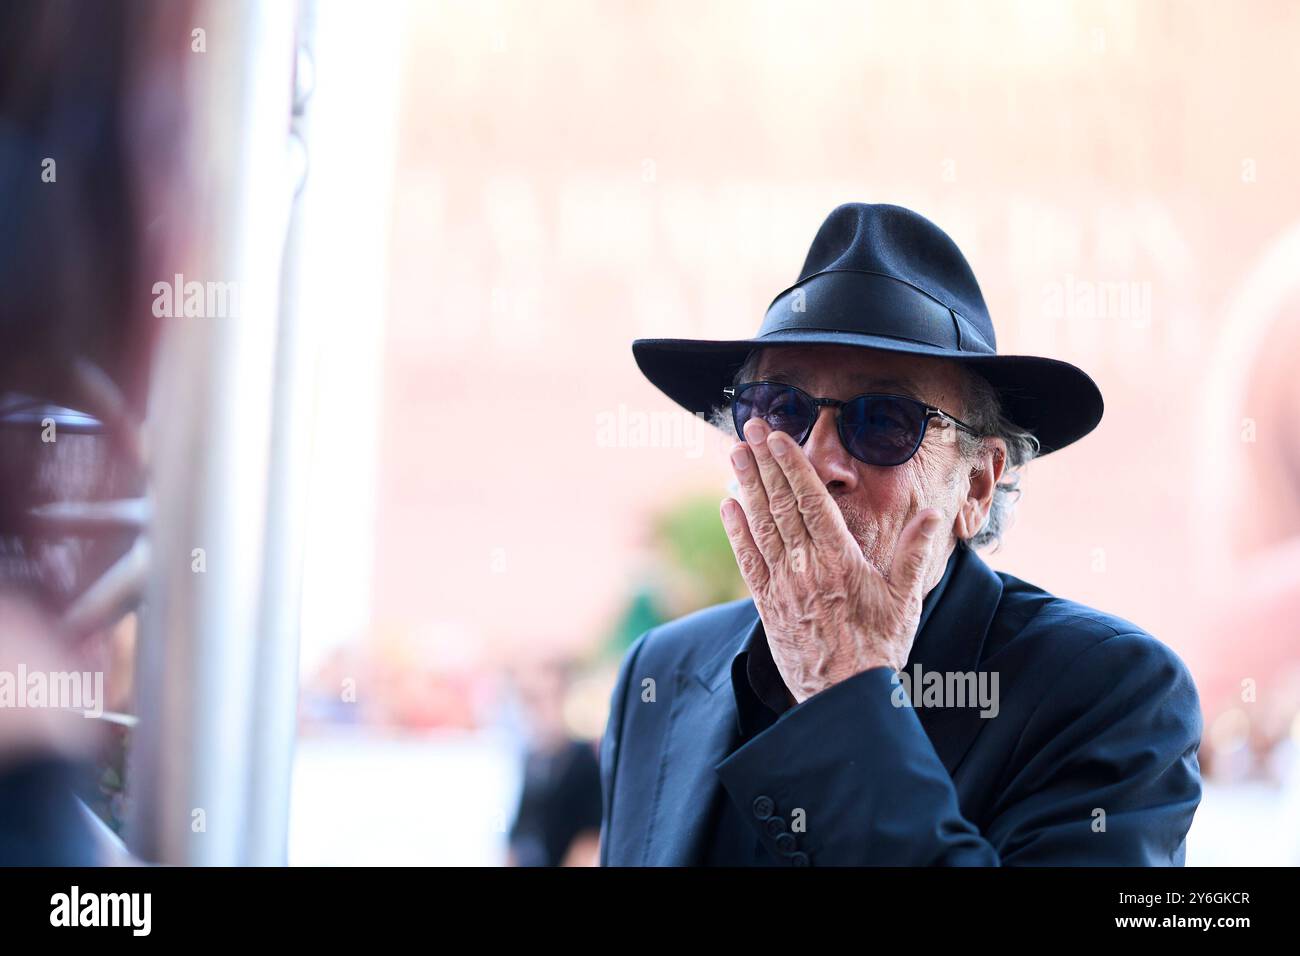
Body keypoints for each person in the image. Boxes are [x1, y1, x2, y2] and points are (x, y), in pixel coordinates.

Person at [600, 203, 1202, 866]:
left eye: (884, 419)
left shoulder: (1107, 692)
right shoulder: (664, 671)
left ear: (977, 485)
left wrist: (844, 691)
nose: (817, 461)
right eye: (780, 410)